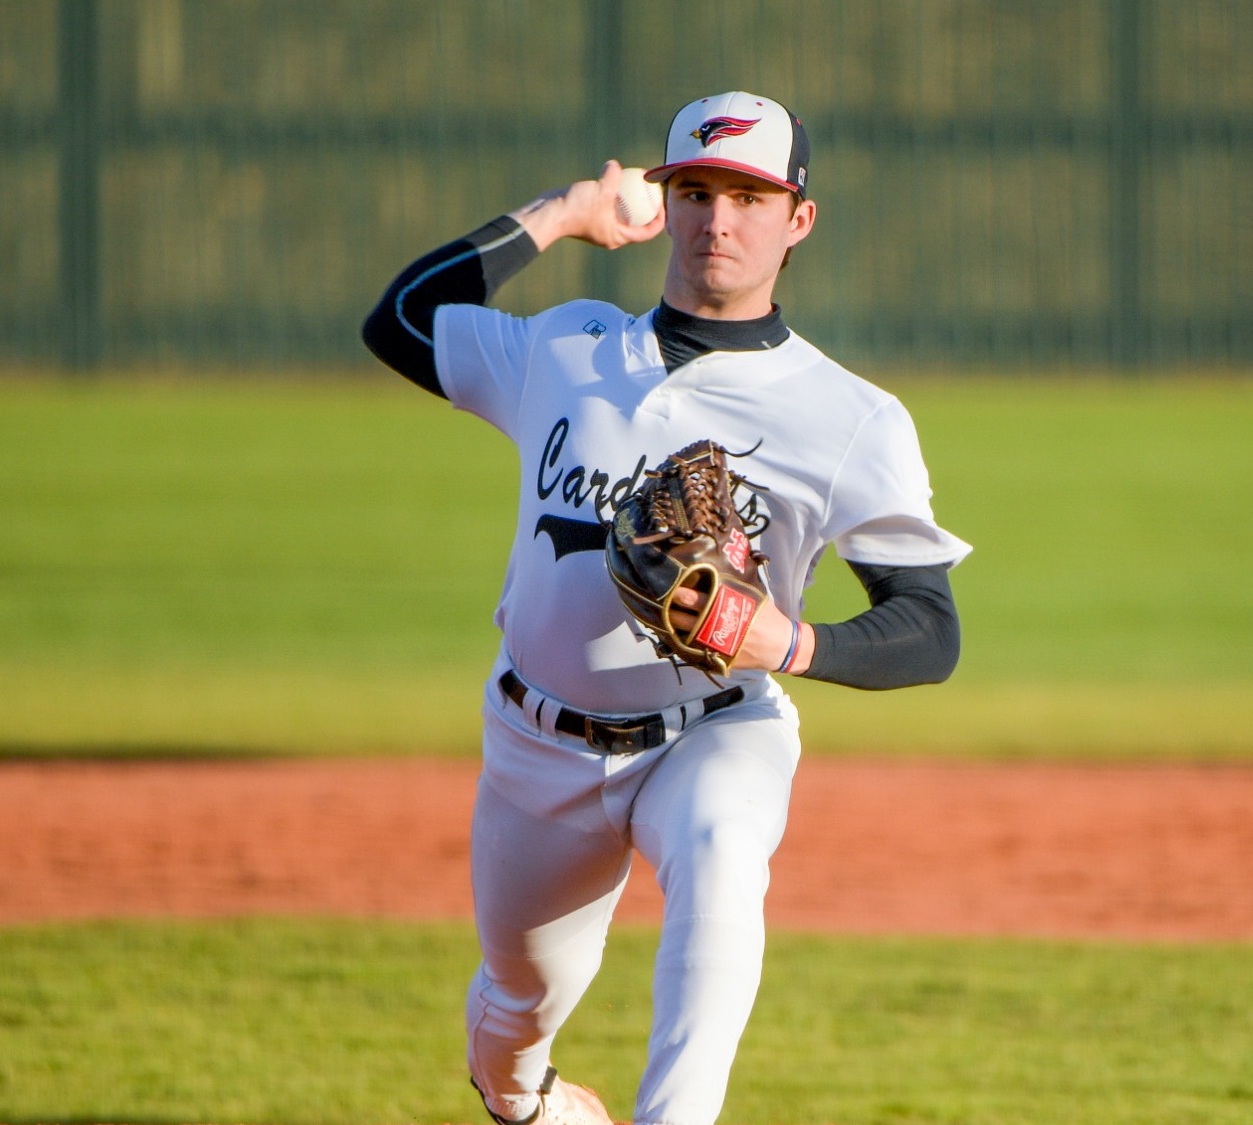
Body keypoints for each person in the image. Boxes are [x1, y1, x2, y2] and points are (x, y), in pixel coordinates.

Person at [362, 91, 969, 1125]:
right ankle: (531, 1097)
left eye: (746, 194)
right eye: (694, 189)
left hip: (714, 727)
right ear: (665, 199)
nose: (716, 219)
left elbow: (930, 628)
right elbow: (400, 323)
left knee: (723, 859)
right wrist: (560, 214)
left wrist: (786, 638)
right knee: (515, 1012)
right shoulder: (564, 349)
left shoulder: (848, 417)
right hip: (536, 744)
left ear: (797, 220)